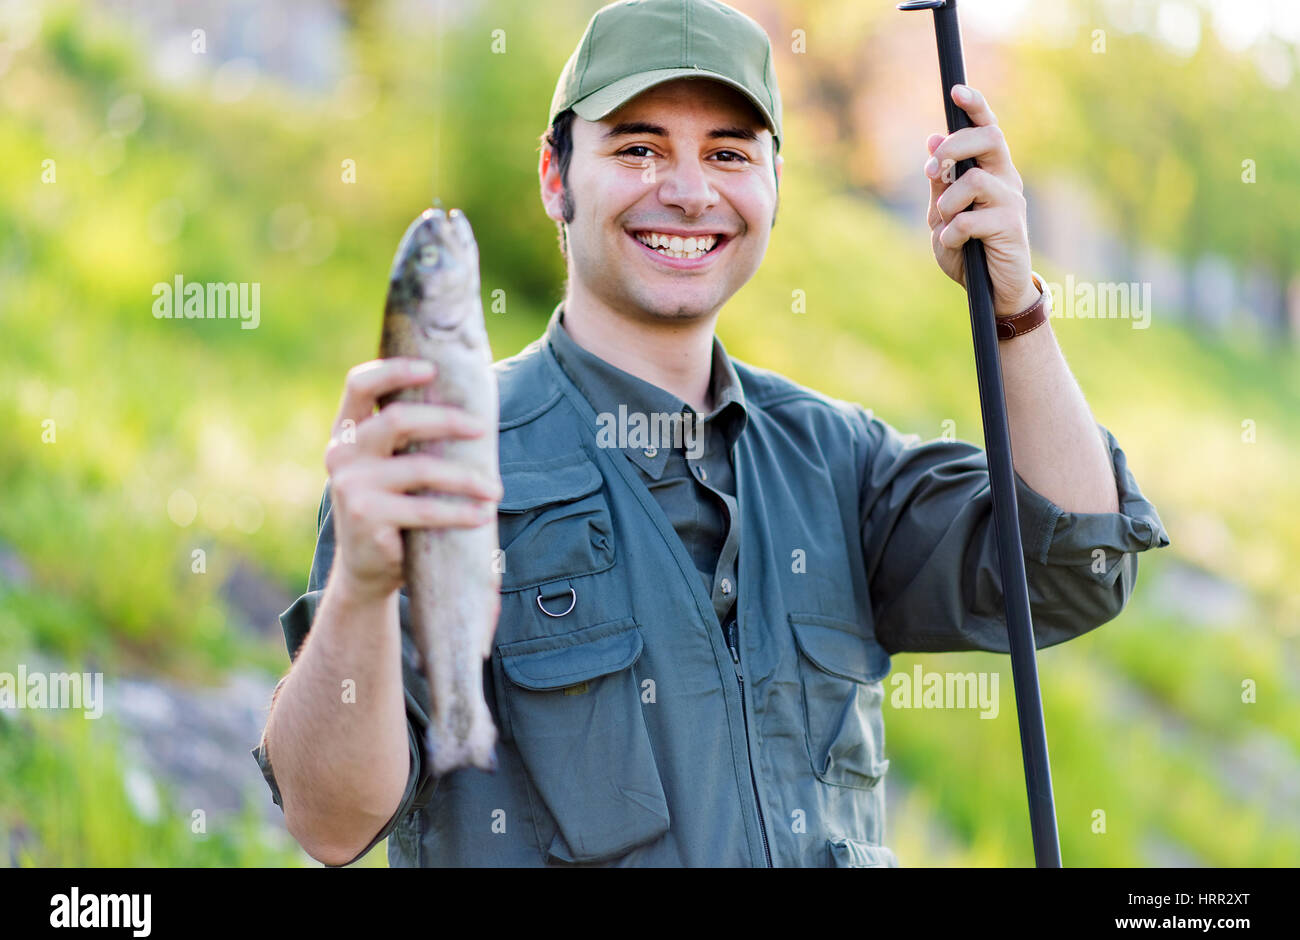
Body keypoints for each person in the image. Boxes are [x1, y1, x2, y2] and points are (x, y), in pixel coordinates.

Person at [252, 0, 1170, 867]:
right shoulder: (439, 455)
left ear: (774, 184)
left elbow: (1074, 567)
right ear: (554, 175)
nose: (688, 192)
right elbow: (329, 820)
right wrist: (363, 591)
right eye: (639, 147)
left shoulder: (836, 461)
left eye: (730, 154)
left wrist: (1015, 311)